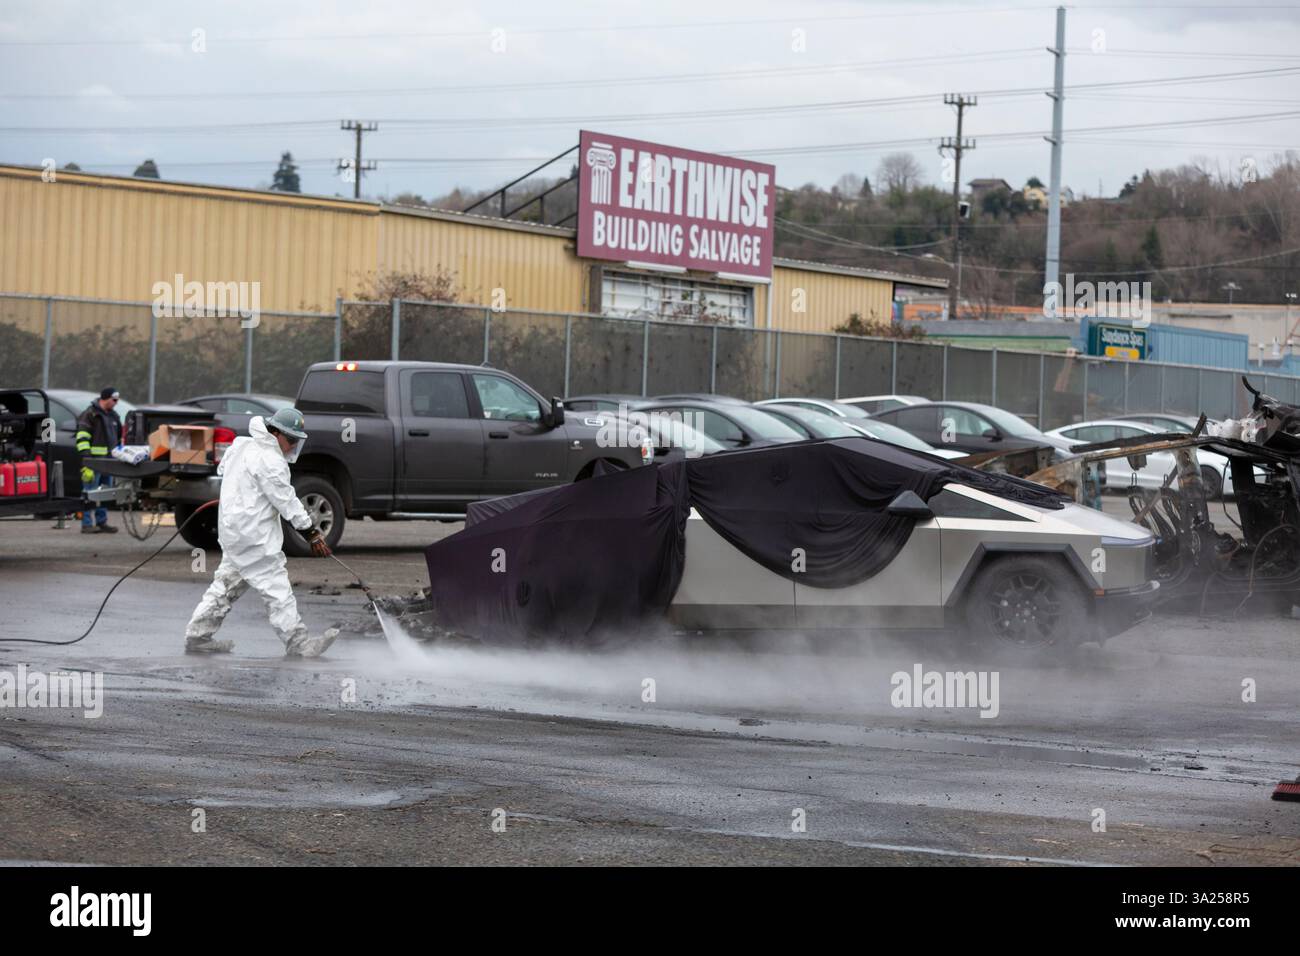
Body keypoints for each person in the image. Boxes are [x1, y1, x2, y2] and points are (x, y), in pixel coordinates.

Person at [183, 407, 339, 658]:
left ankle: (198, 636)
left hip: (233, 532)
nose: (291, 447)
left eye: (295, 441)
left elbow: (224, 471)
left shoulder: (241, 446)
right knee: (276, 589)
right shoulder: (271, 461)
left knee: (225, 585)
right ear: (274, 432)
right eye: (290, 440)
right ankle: (298, 643)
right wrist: (311, 532)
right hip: (254, 537)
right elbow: (286, 500)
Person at [75, 387, 123, 534]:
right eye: (114, 400)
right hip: (93, 462)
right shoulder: (90, 414)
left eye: (117, 400)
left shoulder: (113, 416)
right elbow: (82, 437)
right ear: (105, 398)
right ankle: (87, 524)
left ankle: (102, 522)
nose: (116, 403)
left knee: (105, 493)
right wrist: (87, 458)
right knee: (89, 492)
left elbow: (119, 437)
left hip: (108, 462)